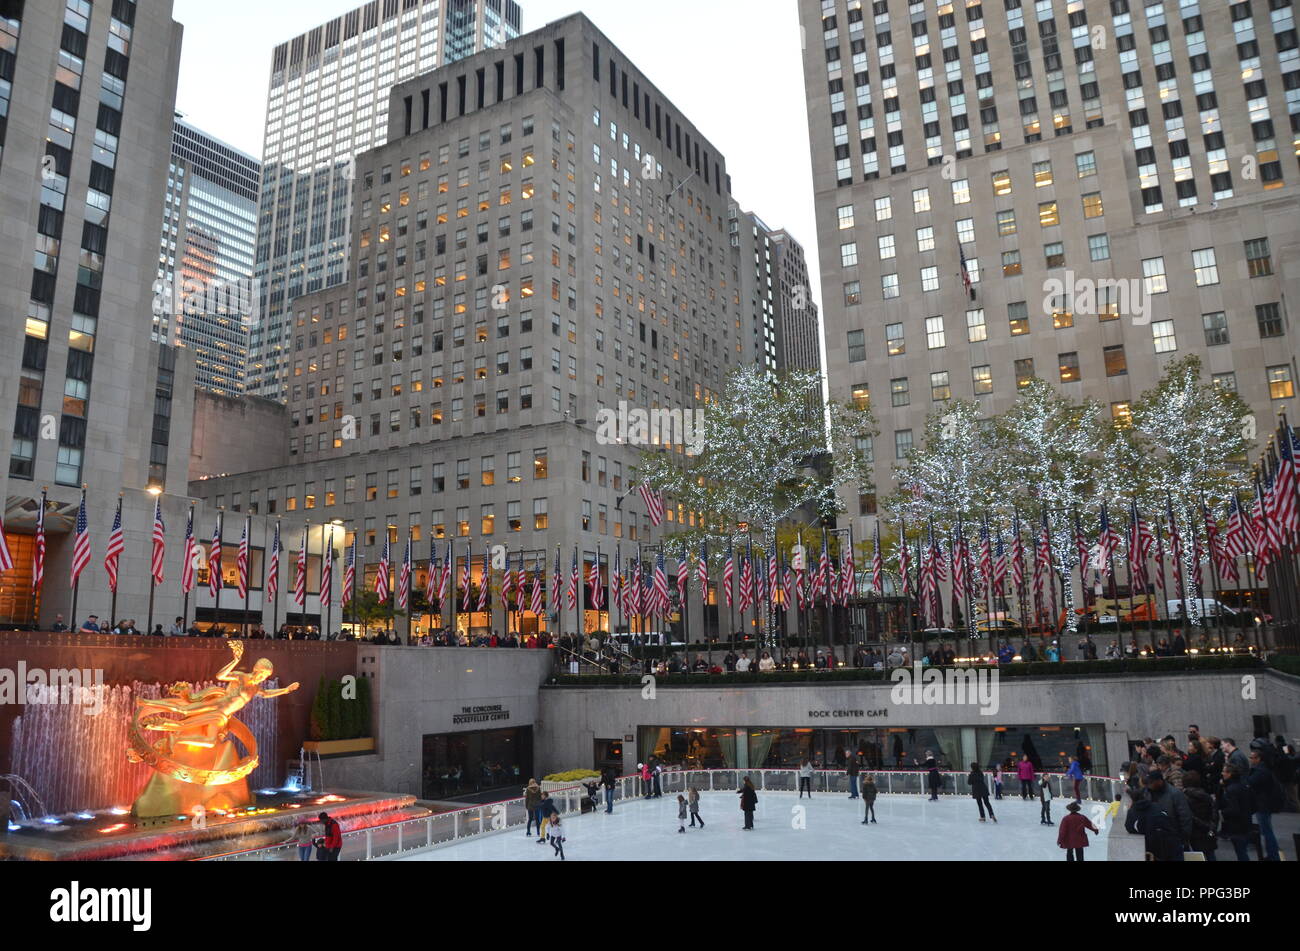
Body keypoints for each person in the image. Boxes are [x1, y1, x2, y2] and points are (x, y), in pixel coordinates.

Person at [1124, 770, 1192, 861]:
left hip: (1173, 839)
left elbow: (1185, 817)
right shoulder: (1146, 792)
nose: (1149, 785)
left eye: (1151, 783)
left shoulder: (1175, 794)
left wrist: (1183, 838)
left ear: (1159, 781)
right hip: (1155, 841)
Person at [1245, 748, 1284, 861]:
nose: (1251, 760)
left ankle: (1273, 855)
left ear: (1258, 758)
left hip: (1263, 804)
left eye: (1252, 758)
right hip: (1264, 803)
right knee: (1267, 830)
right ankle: (1273, 853)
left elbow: (1250, 782)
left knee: (1266, 831)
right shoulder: (1263, 769)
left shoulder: (1260, 771)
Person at [1217, 765, 1255, 861]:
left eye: (1224, 771)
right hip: (1246, 821)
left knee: (1240, 851)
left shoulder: (1231, 789)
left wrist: (1222, 813)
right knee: (1242, 850)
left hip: (1236, 825)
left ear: (1229, 774)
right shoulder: (1244, 785)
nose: (1222, 773)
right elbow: (1253, 804)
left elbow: (1233, 808)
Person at [1181, 771, 1218, 861]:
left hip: (1193, 832)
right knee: (1210, 854)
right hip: (1208, 829)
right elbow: (1214, 813)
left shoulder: (1184, 798)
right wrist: (1211, 826)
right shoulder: (1207, 796)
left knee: (1193, 856)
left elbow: (1186, 816)